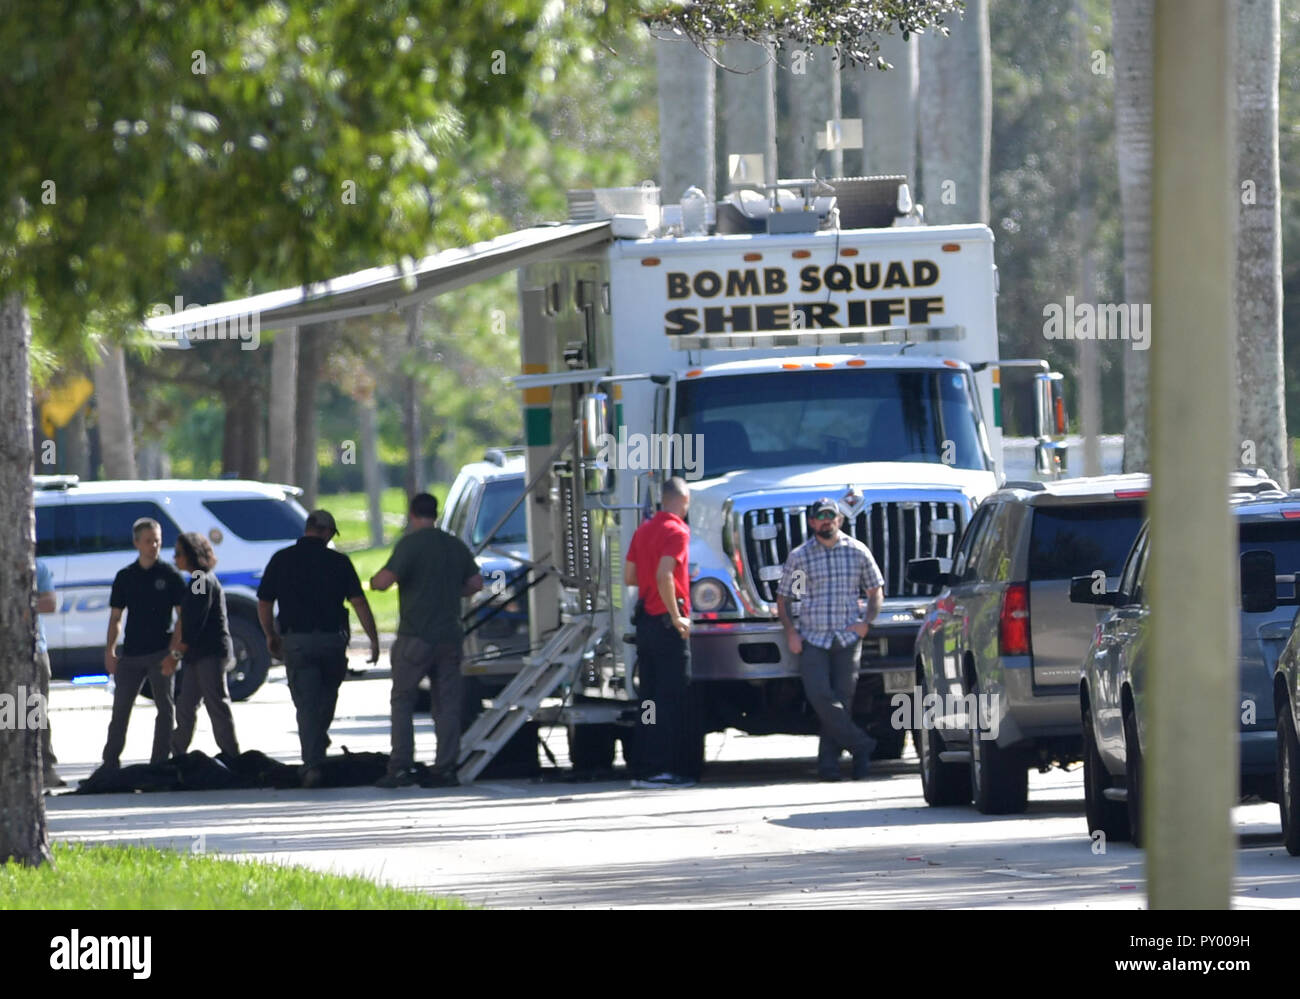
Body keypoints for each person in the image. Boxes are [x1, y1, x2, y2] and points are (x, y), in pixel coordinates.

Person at [257, 509, 380, 787]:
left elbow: (264, 603)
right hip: (331, 642)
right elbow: (359, 602)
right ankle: (315, 754)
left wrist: (270, 635)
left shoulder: (282, 559)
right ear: (326, 532)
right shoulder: (339, 561)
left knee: (306, 705)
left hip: (296, 642)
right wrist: (373, 639)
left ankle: (312, 761)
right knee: (325, 699)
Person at [370, 493, 482, 788]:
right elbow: (476, 583)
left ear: (412, 514)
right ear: (436, 513)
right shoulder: (453, 544)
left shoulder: (411, 544)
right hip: (449, 637)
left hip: (415, 637)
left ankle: (401, 767)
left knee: (403, 700)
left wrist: (373, 582)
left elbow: (382, 582)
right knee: (447, 705)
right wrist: (447, 592)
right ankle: (445, 768)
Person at [777, 497, 884, 781]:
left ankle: (830, 765)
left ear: (840, 519)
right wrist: (791, 632)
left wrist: (865, 623)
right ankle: (862, 744)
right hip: (813, 637)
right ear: (812, 522)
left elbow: (875, 591)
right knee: (820, 696)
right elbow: (787, 597)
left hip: (847, 637)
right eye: (821, 516)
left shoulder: (857, 552)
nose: (827, 520)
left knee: (842, 699)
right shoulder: (801, 557)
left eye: (832, 515)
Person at [624, 476, 698, 789]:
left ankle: (645, 765)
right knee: (671, 699)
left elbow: (630, 576)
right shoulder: (677, 531)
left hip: (645, 626)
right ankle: (665, 769)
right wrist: (677, 616)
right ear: (682, 501)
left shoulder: (644, 530)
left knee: (649, 700)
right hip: (667, 626)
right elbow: (664, 574)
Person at [102, 518, 186, 770]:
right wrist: (110, 651)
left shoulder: (170, 575)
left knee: (165, 708)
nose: (154, 546)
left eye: (158, 540)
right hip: (132, 653)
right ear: (137, 543)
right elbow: (116, 617)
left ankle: (159, 763)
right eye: (148, 541)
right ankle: (110, 762)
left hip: (161, 650)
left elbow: (183, 616)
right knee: (120, 710)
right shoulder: (125, 576)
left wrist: (174, 652)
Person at [169, 532, 241, 763]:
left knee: (216, 702)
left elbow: (196, 617)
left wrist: (178, 650)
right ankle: (177, 753)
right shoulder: (196, 579)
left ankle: (232, 756)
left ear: (191, 555)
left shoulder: (200, 579)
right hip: (196, 654)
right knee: (186, 704)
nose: (174, 558)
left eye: (178, 553)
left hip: (208, 653)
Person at [34, 557, 64, 788]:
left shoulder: (37, 567)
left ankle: (45, 766)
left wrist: (19, 602)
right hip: (7, 652)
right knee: (10, 709)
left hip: (35, 649)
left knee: (37, 709)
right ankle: (15, 765)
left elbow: (50, 604)